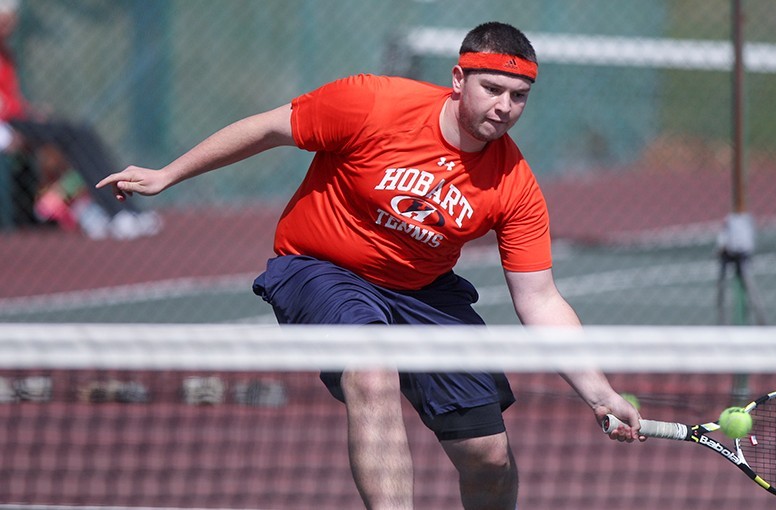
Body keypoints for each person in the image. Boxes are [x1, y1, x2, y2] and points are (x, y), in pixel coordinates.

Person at [98, 21, 643, 509]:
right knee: (372, 370)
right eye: (492, 89)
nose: (504, 107)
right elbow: (267, 128)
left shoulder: (513, 184)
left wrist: (600, 394)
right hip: (321, 268)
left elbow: (540, 298)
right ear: (459, 79)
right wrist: (166, 175)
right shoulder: (372, 104)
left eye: (518, 96)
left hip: (423, 290)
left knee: (489, 456)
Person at [0, 0, 160, 238]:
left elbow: (11, 100)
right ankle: (115, 212)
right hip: (7, 125)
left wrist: (32, 112)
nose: (10, 24)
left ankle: (123, 209)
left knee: (81, 134)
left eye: (12, 18)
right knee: (73, 135)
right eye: (5, 18)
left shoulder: (6, 52)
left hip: (16, 120)